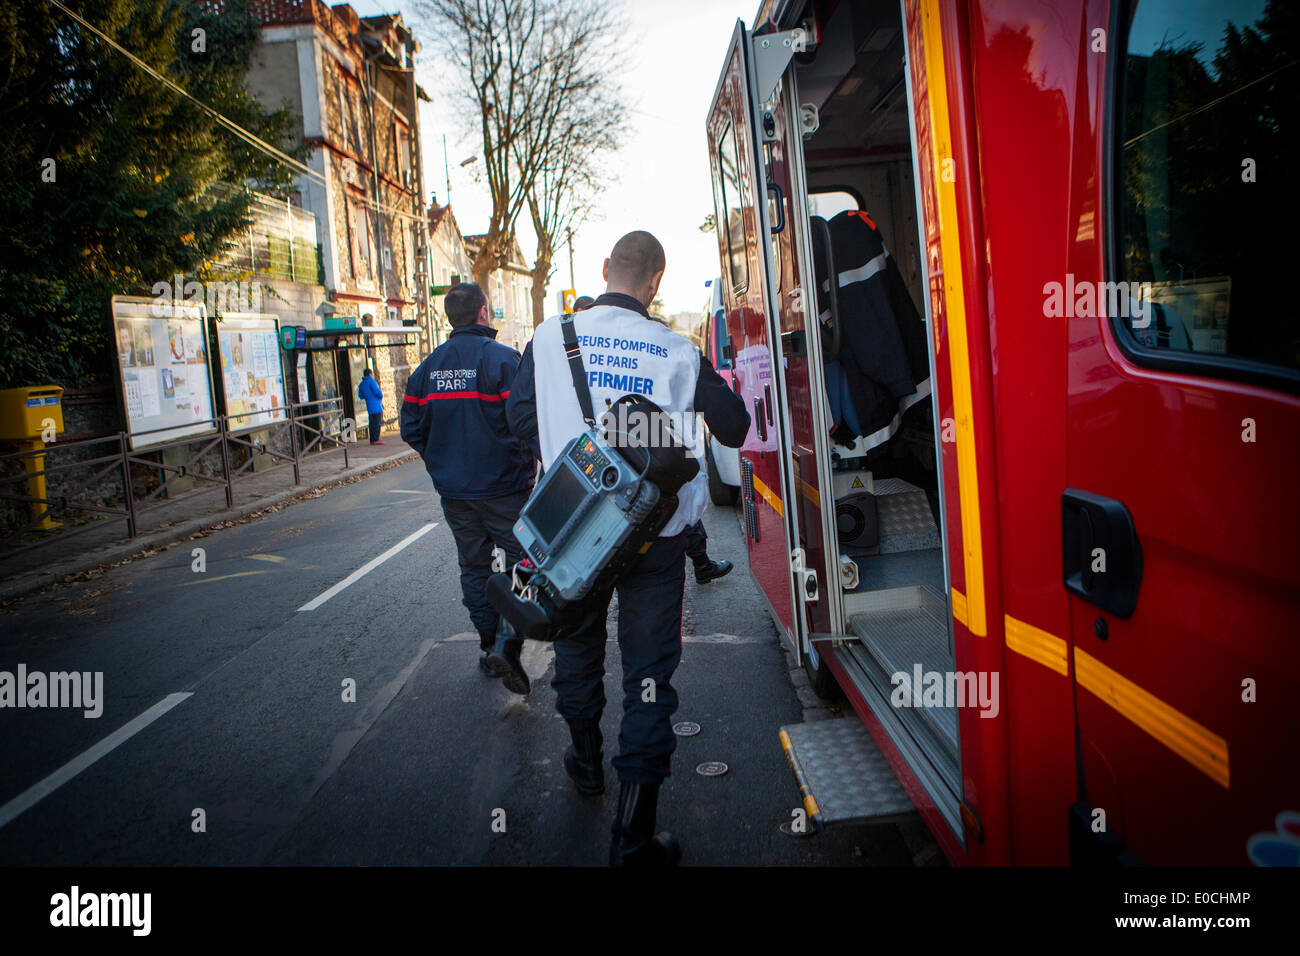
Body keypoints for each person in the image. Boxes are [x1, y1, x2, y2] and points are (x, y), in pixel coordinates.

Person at [507, 231, 749, 866]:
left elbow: (514, 422)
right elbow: (735, 427)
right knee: (648, 677)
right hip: (657, 537)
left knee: (576, 650)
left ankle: (586, 765)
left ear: (603, 270)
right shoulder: (676, 349)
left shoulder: (549, 338)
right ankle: (634, 837)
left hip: (575, 534)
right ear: (656, 283)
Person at [400, 282, 534, 694]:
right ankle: (511, 641)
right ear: (482, 312)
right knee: (523, 563)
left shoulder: (427, 369)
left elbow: (410, 428)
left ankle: (487, 643)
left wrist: (441, 462)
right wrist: (519, 455)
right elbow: (524, 420)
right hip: (506, 489)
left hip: (456, 494)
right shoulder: (503, 361)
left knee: (473, 567)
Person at [358, 369, 385, 444]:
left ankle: (372, 439)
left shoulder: (362, 384)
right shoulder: (372, 381)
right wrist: (380, 396)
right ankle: (376, 439)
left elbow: (360, 396)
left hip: (369, 405)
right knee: (377, 422)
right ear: (370, 374)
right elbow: (378, 392)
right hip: (376, 405)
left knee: (372, 422)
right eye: (372, 374)